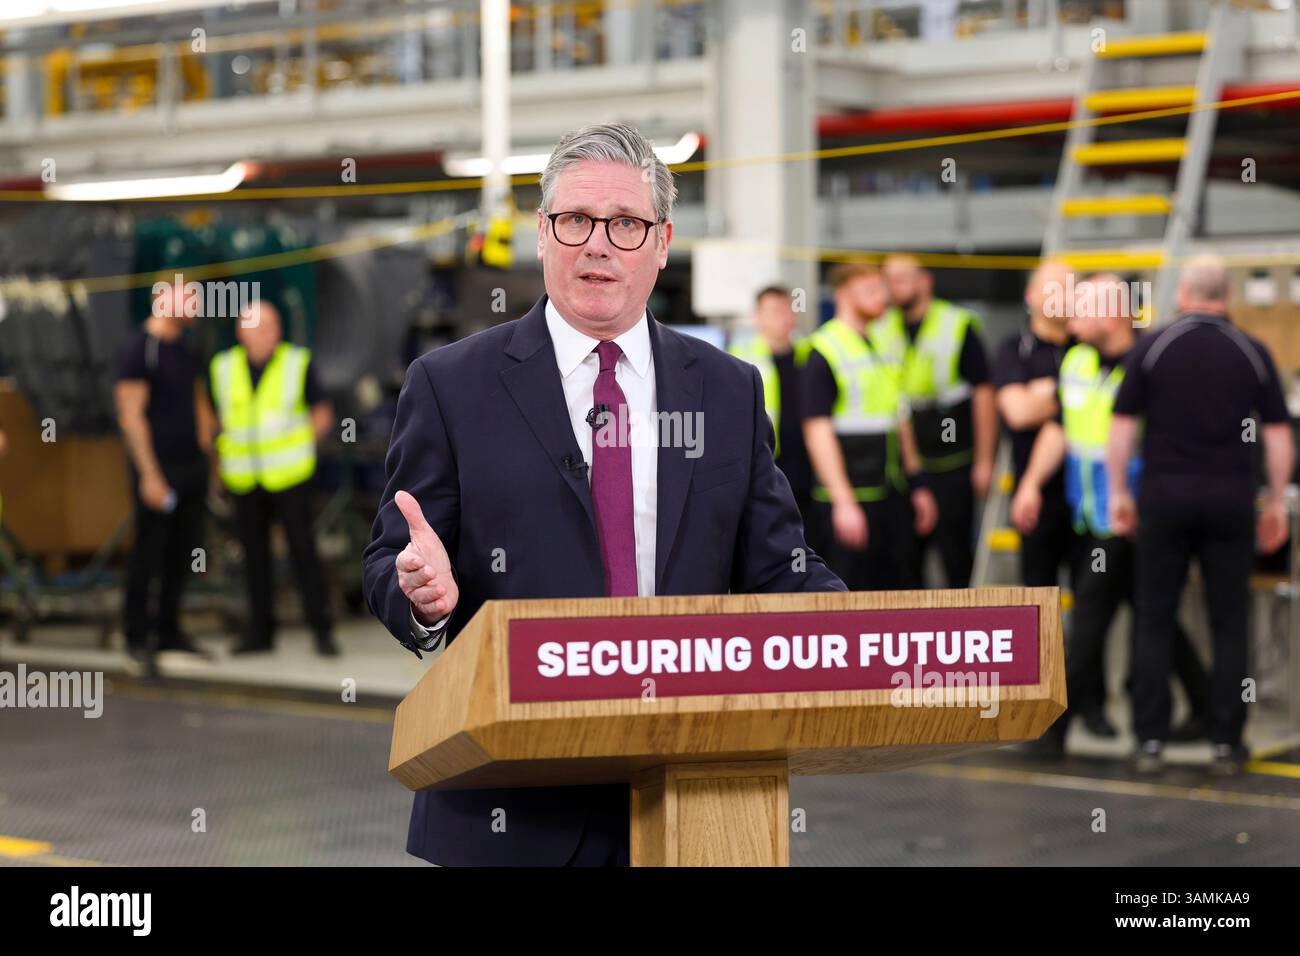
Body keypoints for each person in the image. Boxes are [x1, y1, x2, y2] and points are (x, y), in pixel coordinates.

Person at [362, 123, 845, 867]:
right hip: (510, 809)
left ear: (661, 241)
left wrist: (868, 632)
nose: (598, 244)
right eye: (576, 221)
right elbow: (395, 555)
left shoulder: (727, 390)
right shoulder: (451, 384)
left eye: (625, 224)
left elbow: (778, 571)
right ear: (544, 234)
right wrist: (422, 595)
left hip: (693, 803)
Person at [1108, 254, 1294, 775]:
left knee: (1154, 615)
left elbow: (1121, 429)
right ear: (1225, 296)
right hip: (1230, 501)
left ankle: (1149, 740)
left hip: (1164, 500)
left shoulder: (1153, 348)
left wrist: (1119, 493)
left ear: (1184, 293)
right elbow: (1278, 437)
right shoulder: (1251, 352)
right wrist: (1275, 501)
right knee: (1229, 620)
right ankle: (1226, 743)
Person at [1011, 274, 1209, 756]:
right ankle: (1207, 705)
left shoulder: (1150, 365)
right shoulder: (1077, 360)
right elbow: (1061, 428)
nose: (1069, 314)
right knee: (1145, 608)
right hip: (1090, 515)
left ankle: (1054, 729)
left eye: (1081, 306)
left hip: (1132, 516)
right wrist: (1033, 483)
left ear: (1113, 314)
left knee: (1092, 617)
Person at [207, 301, 339, 657]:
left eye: (271, 327)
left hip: (289, 476)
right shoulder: (223, 367)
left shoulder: (297, 363)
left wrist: (301, 449)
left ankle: (322, 630)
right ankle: (260, 632)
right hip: (245, 479)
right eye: (258, 327)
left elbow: (322, 415)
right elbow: (217, 420)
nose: (267, 335)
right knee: (254, 558)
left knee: (303, 553)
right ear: (241, 332)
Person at [801, 262, 938, 590]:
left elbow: (898, 420)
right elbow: (817, 432)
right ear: (843, 296)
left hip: (892, 493)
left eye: (882, 289)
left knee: (902, 589)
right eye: (870, 290)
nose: (882, 297)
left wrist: (918, 484)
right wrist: (843, 502)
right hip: (852, 498)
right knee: (849, 595)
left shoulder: (884, 343)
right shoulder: (824, 350)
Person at [876, 254, 995, 588]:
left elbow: (984, 394)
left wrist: (984, 462)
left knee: (955, 560)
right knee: (902, 566)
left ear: (924, 281)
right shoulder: (881, 329)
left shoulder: (956, 325)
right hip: (902, 469)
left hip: (952, 461)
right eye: (889, 279)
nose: (893, 287)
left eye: (902, 278)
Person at [114, 280, 213, 667]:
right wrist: (150, 475)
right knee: (148, 552)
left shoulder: (186, 350)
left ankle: (168, 629)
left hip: (191, 466)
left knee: (184, 552)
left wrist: (208, 455)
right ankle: (136, 634)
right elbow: (131, 416)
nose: (193, 303)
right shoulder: (140, 349)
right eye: (186, 296)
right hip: (158, 468)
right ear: (161, 299)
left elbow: (198, 402)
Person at [994, 259, 1079, 593]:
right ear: (1031, 295)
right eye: (1053, 288)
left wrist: (1045, 393)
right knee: (1039, 594)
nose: (1062, 297)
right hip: (1038, 496)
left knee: (1096, 594)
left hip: (1089, 495)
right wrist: (1073, 395)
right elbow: (1017, 413)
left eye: (1069, 289)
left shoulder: (1088, 346)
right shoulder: (1015, 349)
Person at [727, 285, 818, 552]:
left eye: (787, 310)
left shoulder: (811, 353)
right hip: (768, 463)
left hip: (809, 466)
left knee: (812, 542)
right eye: (774, 311)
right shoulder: (739, 358)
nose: (782, 317)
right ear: (758, 317)